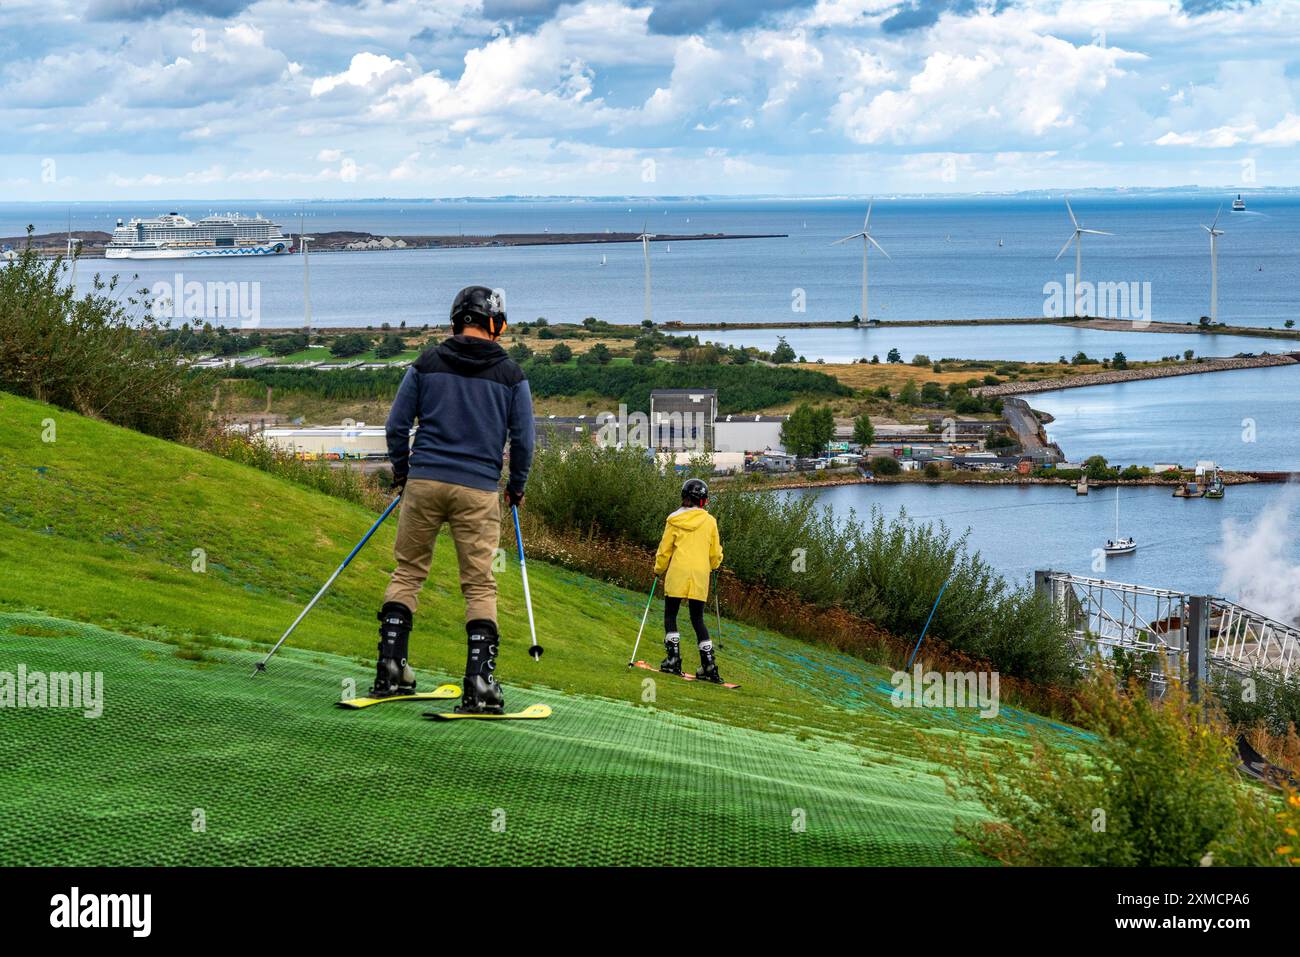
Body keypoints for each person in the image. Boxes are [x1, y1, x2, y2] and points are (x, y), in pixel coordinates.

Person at [372, 285, 534, 714]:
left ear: (458, 318)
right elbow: (524, 441)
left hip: (424, 482)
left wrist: (404, 472)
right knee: (480, 584)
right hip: (478, 489)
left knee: (407, 572)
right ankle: (479, 686)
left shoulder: (426, 362)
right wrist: (516, 485)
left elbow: (396, 424)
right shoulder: (511, 375)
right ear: (493, 322)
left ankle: (390, 670)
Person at [653, 478, 724, 682]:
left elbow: (664, 550)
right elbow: (715, 553)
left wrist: (658, 569)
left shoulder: (674, 520)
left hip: (679, 571)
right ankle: (709, 665)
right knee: (697, 618)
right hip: (700, 574)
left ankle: (673, 660)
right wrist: (715, 564)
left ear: (684, 497)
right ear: (703, 501)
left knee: (671, 614)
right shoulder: (710, 522)